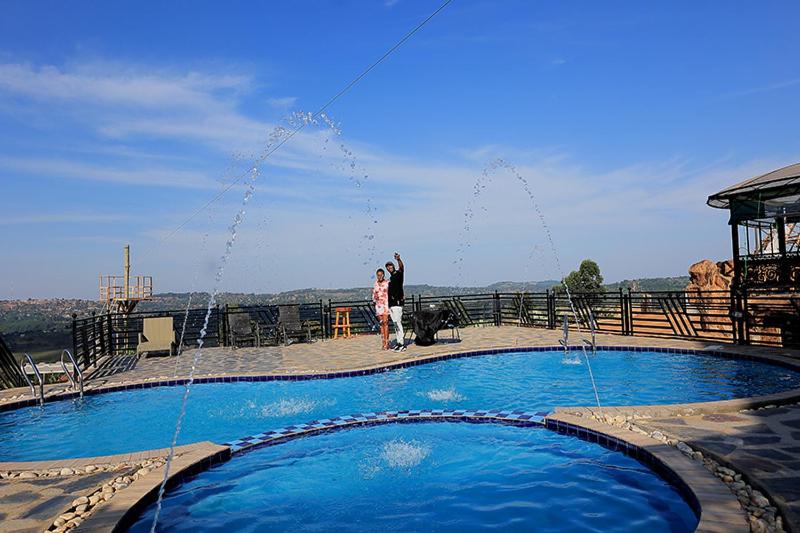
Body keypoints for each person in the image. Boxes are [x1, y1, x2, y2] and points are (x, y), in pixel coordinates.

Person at [385, 252, 405, 351]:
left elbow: (402, 267)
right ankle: (398, 342)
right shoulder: (391, 278)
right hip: (391, 304)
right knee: (395, 324)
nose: (389, 268)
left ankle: (402, 344)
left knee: (398, 323)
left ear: (393, 266)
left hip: (397, 303)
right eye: (387, 267)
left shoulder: (398, 274)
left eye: (390, 266)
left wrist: (398, 259)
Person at [372, 268, 390, 350]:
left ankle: (387, 342)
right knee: (381, 323)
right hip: (378, 305)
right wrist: (374, 297)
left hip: (386, 304)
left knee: (386, 323)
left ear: (383, 275)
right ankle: (383, 341)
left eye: (381, 275)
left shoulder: (387, 283)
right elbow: (373, 295)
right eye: (378, 275)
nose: (379, 276)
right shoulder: (375, 283)